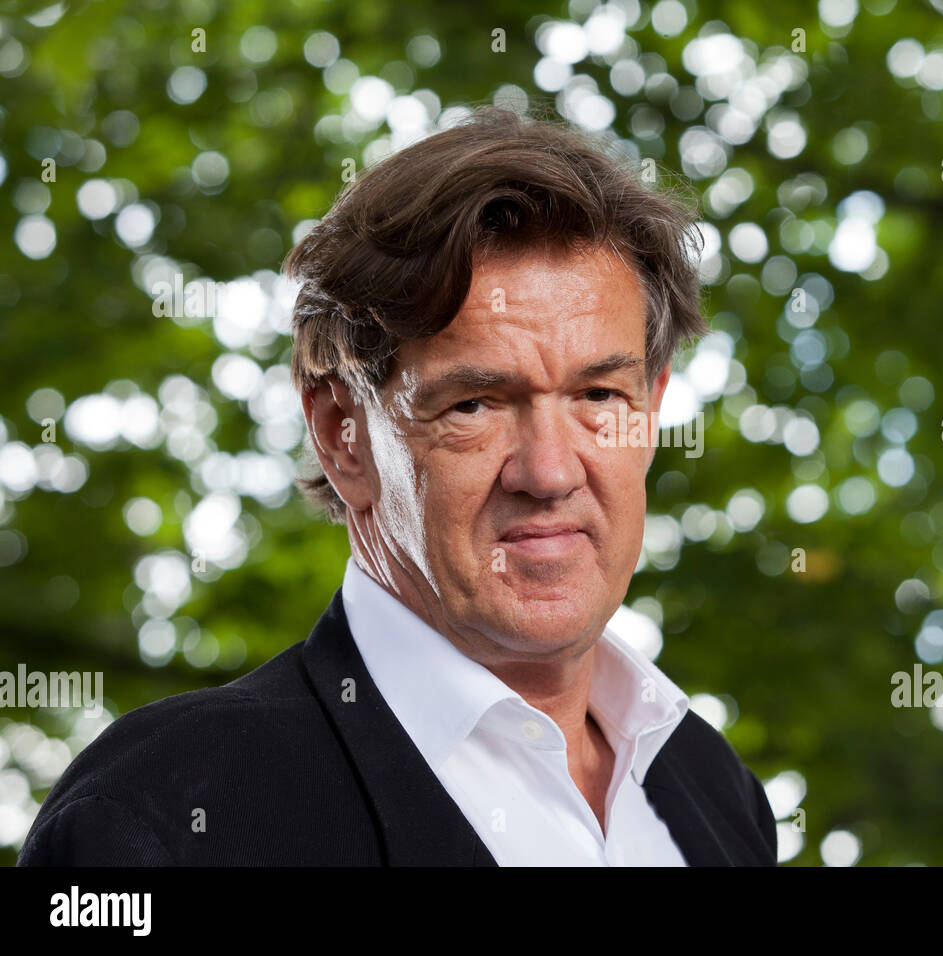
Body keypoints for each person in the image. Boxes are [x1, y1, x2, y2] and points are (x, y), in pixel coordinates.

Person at [19, 106, 777, 866]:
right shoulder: (161, 815)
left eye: (599, 398)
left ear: (653, 407)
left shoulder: (714, 792)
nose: (549, 472)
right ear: (342, 434)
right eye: (473, 405)